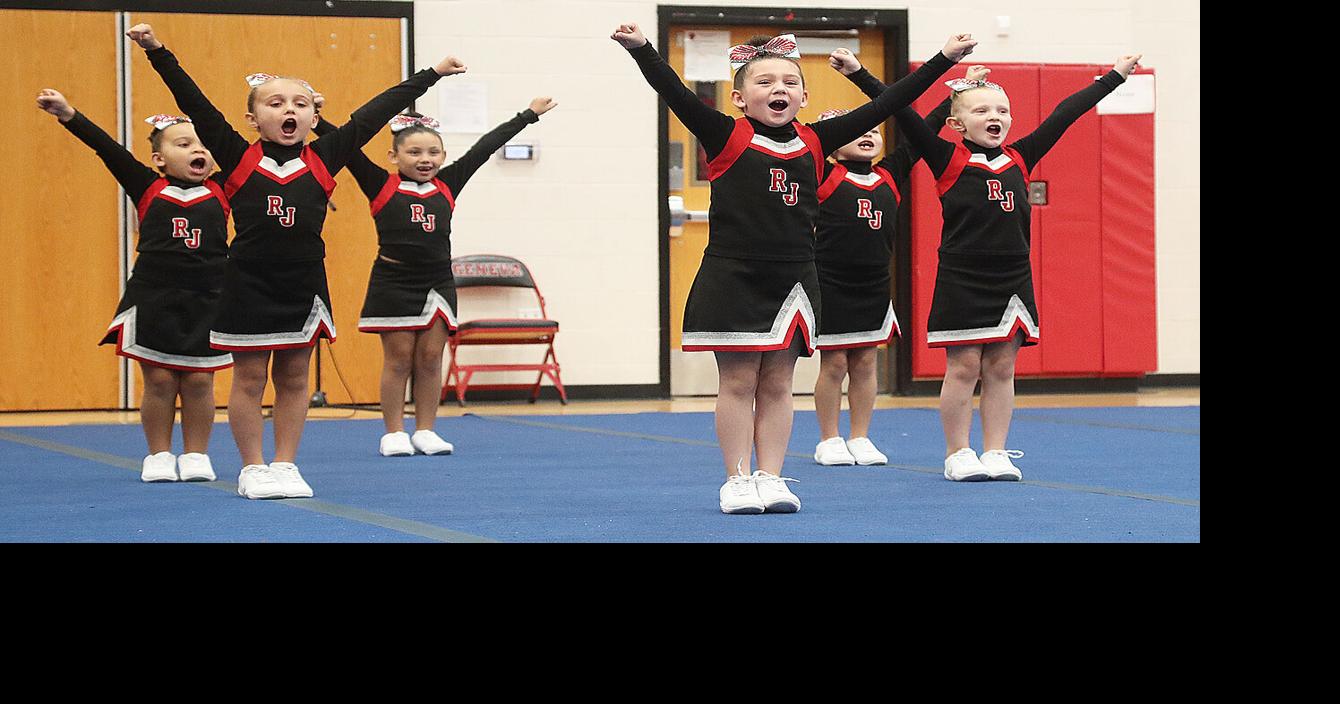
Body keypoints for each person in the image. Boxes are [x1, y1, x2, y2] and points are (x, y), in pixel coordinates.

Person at [611, 22, 976, 513]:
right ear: (739, 98)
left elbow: (886, 106)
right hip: (734, 277)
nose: (777, 89)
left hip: (795, 279)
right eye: (763, 82)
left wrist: (943, 60)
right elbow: (674, 92)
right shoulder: (725, 135)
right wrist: (643, 49)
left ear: (803, 95)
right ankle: (737, 479)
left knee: (780, 384)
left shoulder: (816, 140)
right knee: (739, 383)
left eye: (788, 82)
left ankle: (772, 476)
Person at [127, 22, 467, 498]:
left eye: (300, 104)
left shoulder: (325, 158)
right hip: (247, 282)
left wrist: (431, 74)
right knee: (249, 378)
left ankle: (285, 463)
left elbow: (376, 112)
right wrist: (157, 51)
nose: (289, 110)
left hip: (303, 285)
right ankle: (252, 466)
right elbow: (194, 101)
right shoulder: (237, 157)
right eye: (275, 102)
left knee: (293, 378)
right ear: (252, 119)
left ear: (312, 118)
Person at [889, 52, 1142, 481]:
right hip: (963, 277)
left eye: (1002, 110)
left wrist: (1112, 79)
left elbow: (1065, 115)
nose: (995, 116)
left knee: (1002, 367)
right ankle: (958, 452)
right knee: (965, 367)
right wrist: (861, 76)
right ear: (956, 124)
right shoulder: (947, 160)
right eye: (982, 109)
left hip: (1011, 278)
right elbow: (902, 113)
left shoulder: (1020, 158)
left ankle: (997, 451)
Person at [312, 97, 556, 457]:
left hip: (437, 282)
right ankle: (394, 431)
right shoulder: (381, 185)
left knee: (430, 358)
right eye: (414, 152)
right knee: (398, 360)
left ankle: (426, 429)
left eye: (433, 152)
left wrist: (528, 115)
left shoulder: (448, 184)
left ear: (442, 156)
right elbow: (346, 148)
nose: (425, 159)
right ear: (394, 157)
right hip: (394, 281)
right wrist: (317, 121)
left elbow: (485, 146)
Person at [37, 90, 231, 483]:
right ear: (159, 159)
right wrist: (69, 115)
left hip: (207, 298)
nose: (199, 150)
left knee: (198, 380)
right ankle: (159, 454)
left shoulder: (226, 189)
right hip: (155, 298)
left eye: (204, 144)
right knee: (159, 379)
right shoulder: (147, 187)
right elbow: (107, 149)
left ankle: (195, 454)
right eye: (184, 144)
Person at [810, 55, 986, 467]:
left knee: (867, 360)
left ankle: (861, 435)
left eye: (874, 130)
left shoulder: (889, 174)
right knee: (834, 362)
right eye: (859, 131)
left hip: (873, 284)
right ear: (835, 145)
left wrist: (956, 93)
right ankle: (829, 437)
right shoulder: (825, 175)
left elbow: (921, 132)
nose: (869, 135)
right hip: (831, 282)